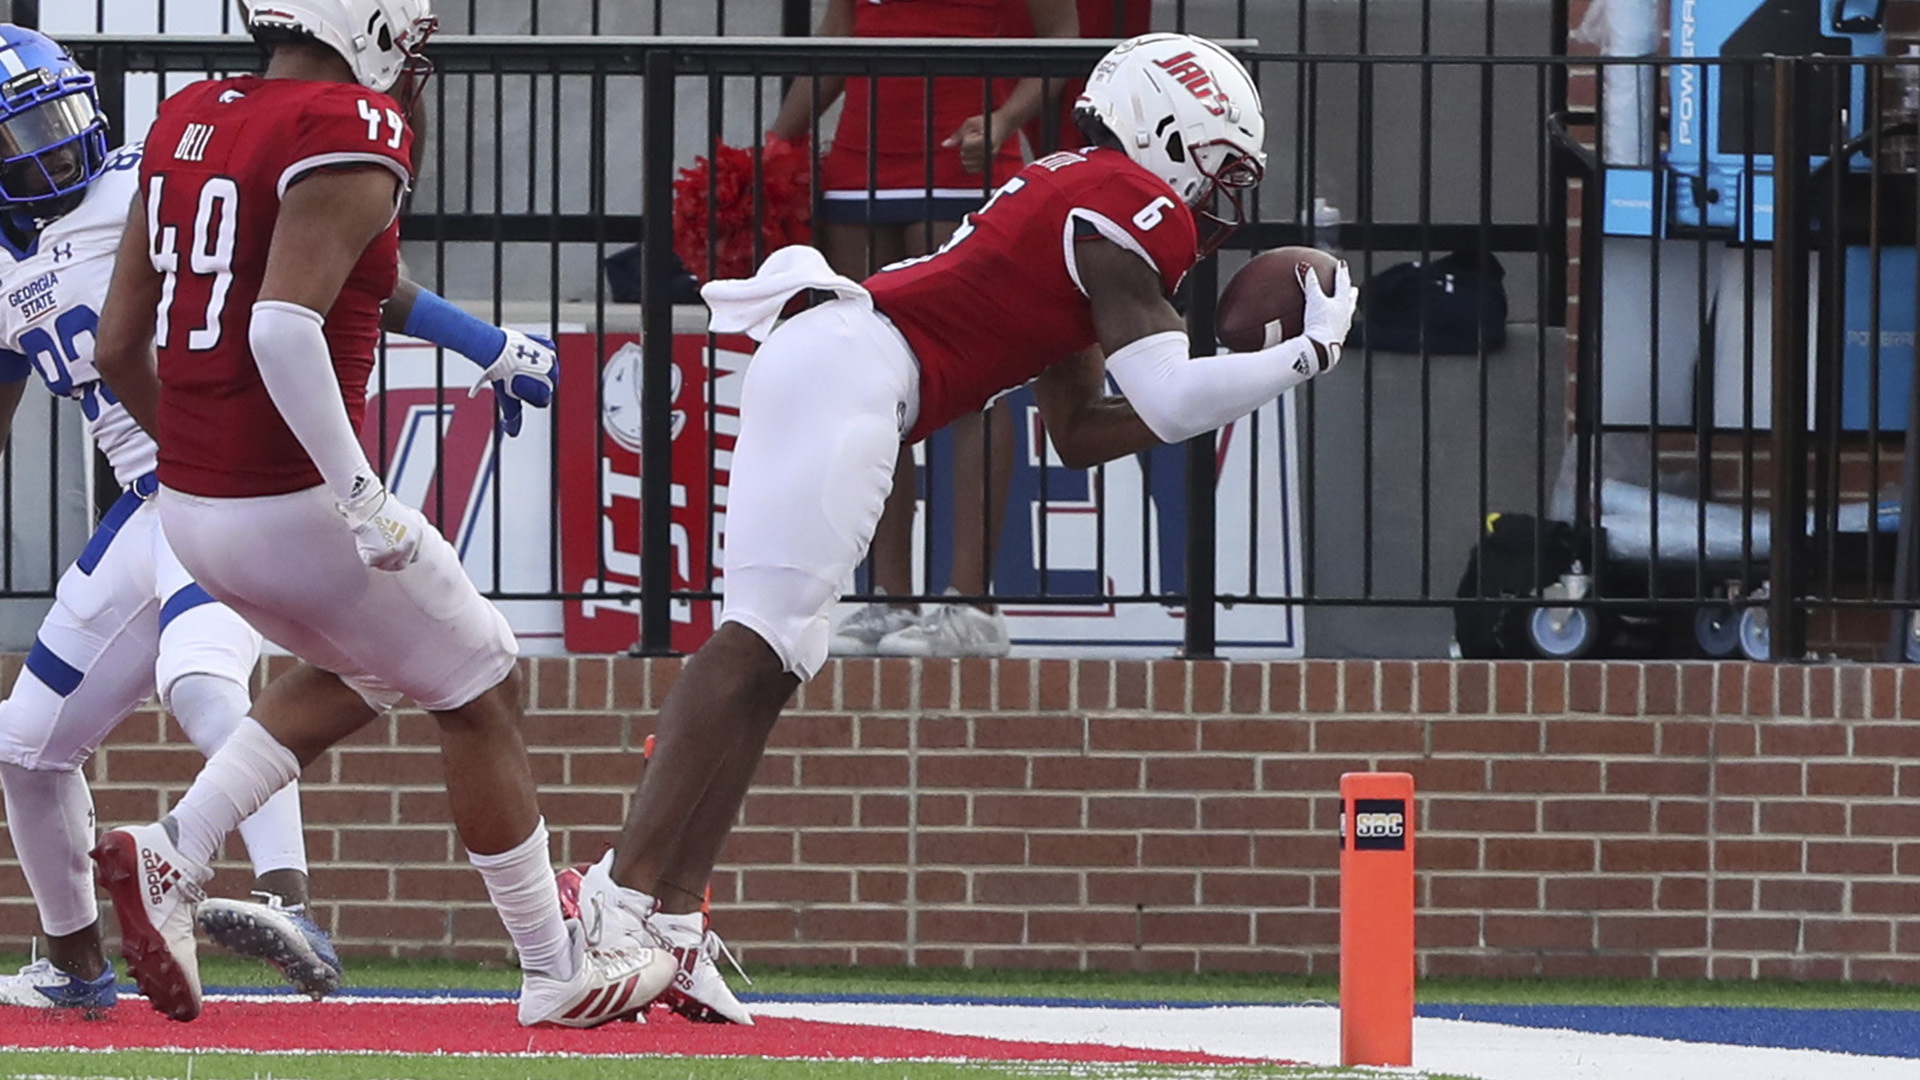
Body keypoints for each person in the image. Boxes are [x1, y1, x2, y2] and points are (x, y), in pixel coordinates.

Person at [577, 33, 1355, 1024]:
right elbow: (1166, 388)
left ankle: (673, 923)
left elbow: (1078, 434)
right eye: (1217, 168)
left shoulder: (1086, 209)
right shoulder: (1126, 201)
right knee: (756, 642)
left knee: (781, 656)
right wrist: (1300, 360)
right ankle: (613, 896)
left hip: (851, 367)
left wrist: (1242, 384)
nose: (1217, 200)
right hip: (854, 369)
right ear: (1164, 136)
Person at [86, 0, 671, 1027]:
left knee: (369, 670)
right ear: (374, 24)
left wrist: (195, 458)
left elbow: (122, 343)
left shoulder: (192, 117)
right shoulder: (347, 128)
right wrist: (359, 497)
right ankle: (554, 968)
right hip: (297, 503)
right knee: (482, 683)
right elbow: (279, 327)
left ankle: (176, 852)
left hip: (193, 507)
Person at [0, 22, 334, 1012]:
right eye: (21, 138)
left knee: (201, 683)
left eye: (56, 119)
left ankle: (291, 903)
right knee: (24, 746)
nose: (55, 149)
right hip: (144, 503)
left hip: (223, 480)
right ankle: (74, 964)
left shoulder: (145, 183)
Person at [770, 0, 1079, 660]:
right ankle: (888, 598)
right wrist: (772, 152)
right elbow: (842, 35)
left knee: (975, 388)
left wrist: (1004, 120)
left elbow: (1063, 39)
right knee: (867, 387)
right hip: (857, 168)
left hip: (964, 160)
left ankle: (970, 604)